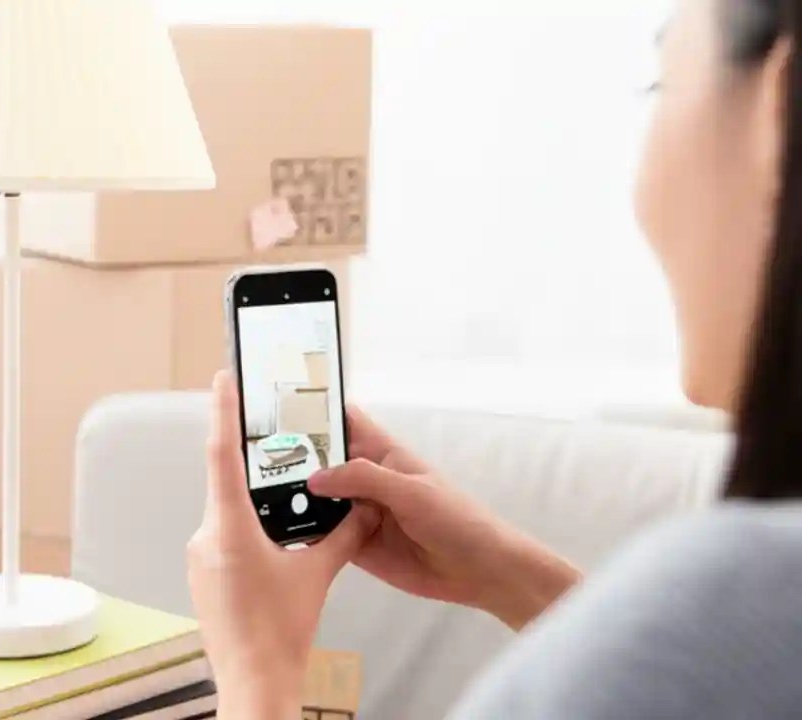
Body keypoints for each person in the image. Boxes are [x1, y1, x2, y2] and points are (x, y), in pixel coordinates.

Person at [187, 0, 802, 717]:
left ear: (777, 112)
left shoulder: (736, 604)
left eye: (659, 87)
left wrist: (256, 668)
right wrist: (509, 574)